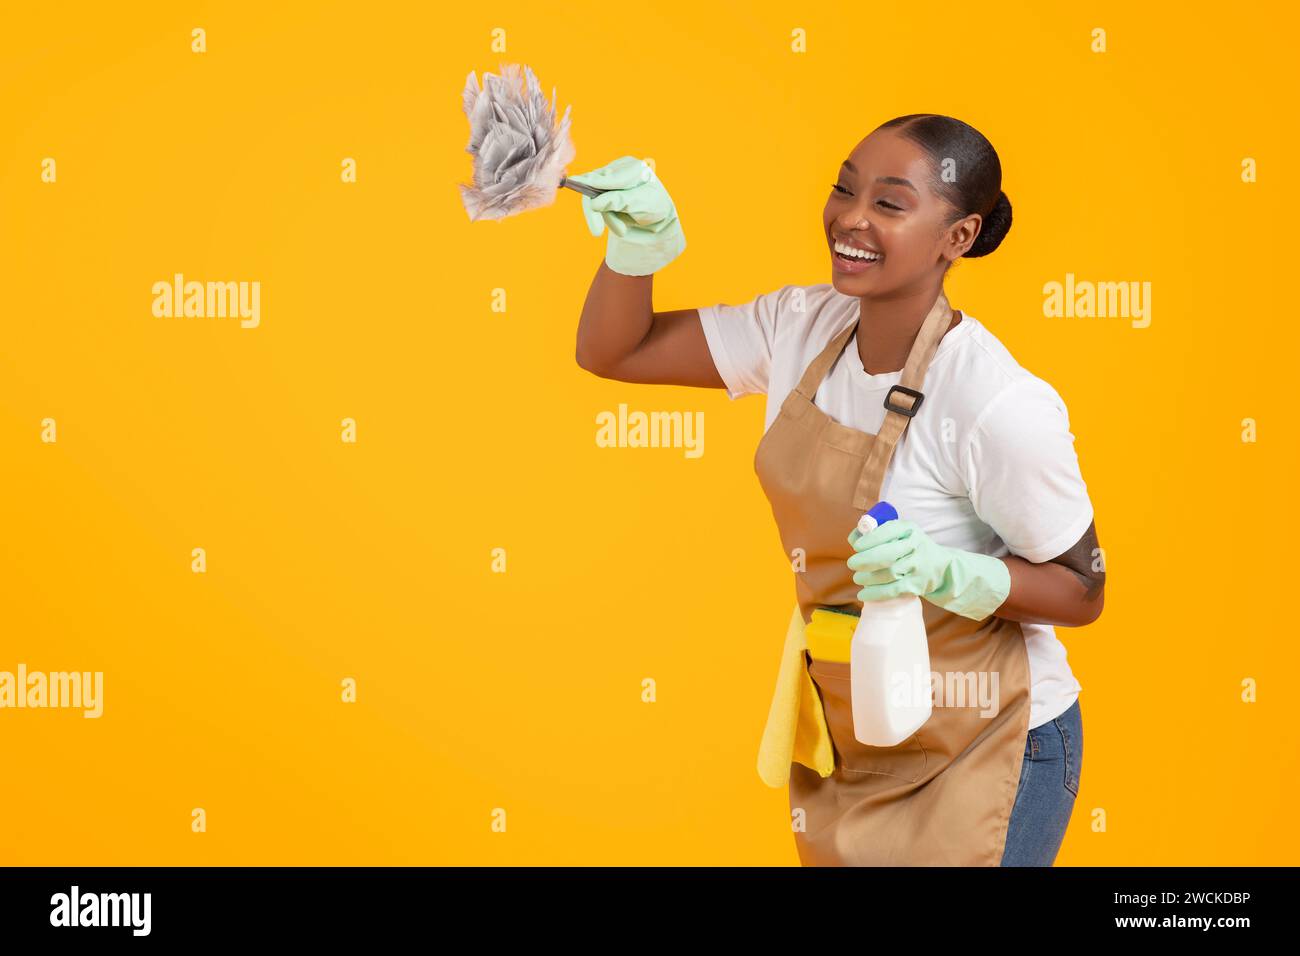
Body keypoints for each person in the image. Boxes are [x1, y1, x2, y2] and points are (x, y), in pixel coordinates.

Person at [571, 114, 1102, 867]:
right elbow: (613, 350)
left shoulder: (996, 402)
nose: (850, 218)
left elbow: (1085, 588)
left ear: (959, 236)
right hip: (860, 726)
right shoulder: (798, 326)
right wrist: (636, 249)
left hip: (990, 741)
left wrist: (951, 573)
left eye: (889, 203)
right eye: (844, 189)